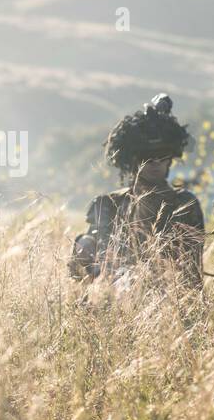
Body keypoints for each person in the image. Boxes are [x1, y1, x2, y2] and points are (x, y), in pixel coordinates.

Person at [70, 93, 204, 285]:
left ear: (171, 158)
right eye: (148, 157)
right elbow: (82, 273)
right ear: (133, 161)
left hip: (167, 299)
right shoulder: (109, 204)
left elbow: (191, 272)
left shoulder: (184, 204)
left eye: (163, 155)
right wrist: (85, 250)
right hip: (113, 298)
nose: (156, 163)